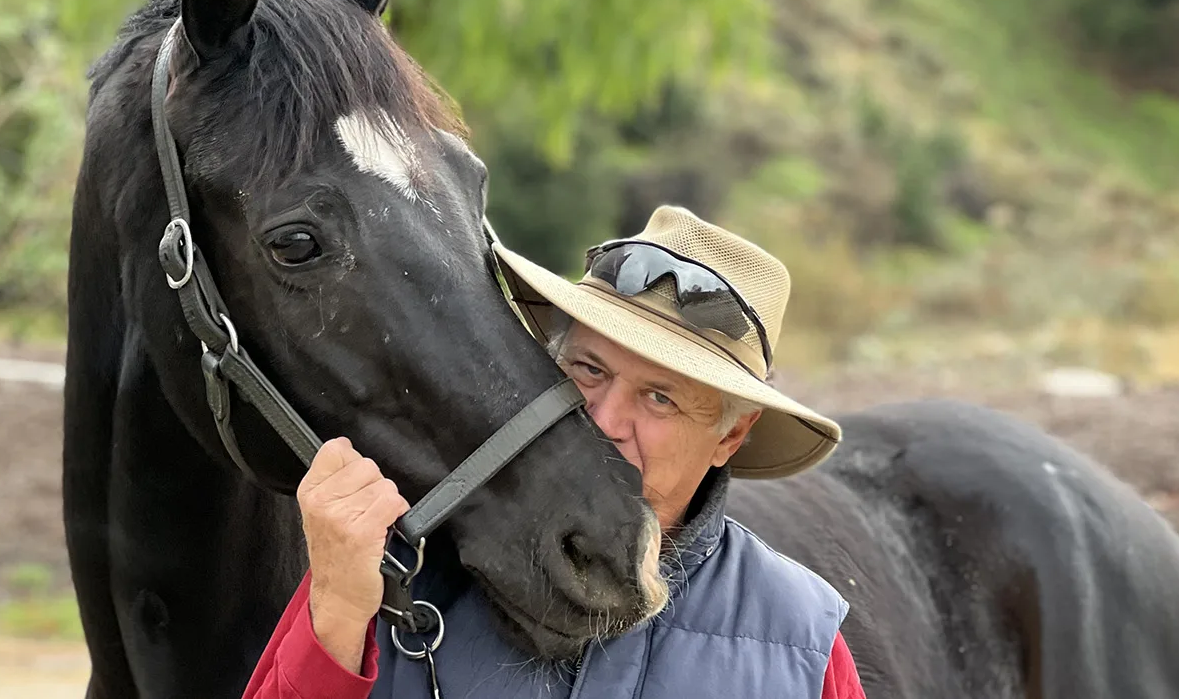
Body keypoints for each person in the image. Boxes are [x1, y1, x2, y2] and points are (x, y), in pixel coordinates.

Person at [242, 205, 867, 698]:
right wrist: (336, 617)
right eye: (588, 370)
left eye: (659, 398)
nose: (603, 419)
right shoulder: (385, 572)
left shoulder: (802, 642)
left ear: (731, 435)